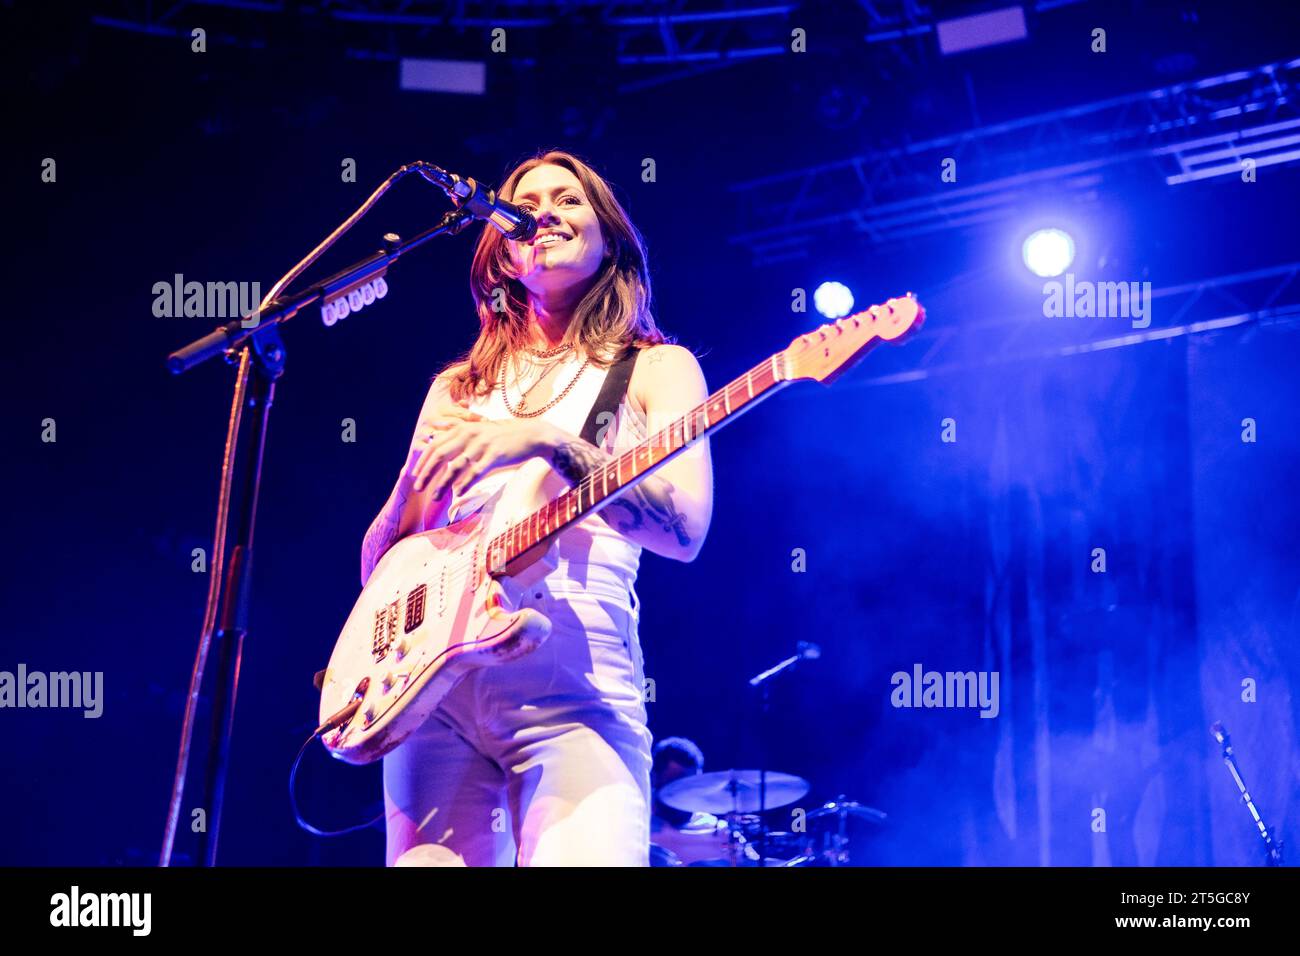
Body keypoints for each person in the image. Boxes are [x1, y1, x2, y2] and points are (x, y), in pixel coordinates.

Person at [360, 149, 714, 866]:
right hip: (440, 696)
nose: (546, 210)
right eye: (528, 201)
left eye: (569, 199)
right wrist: (409, 485)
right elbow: (382, 571)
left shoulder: (655, 367)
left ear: (608, 236)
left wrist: (553, 445)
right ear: (502, 251)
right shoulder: (456, 388)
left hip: (576, 691)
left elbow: (686, 531)